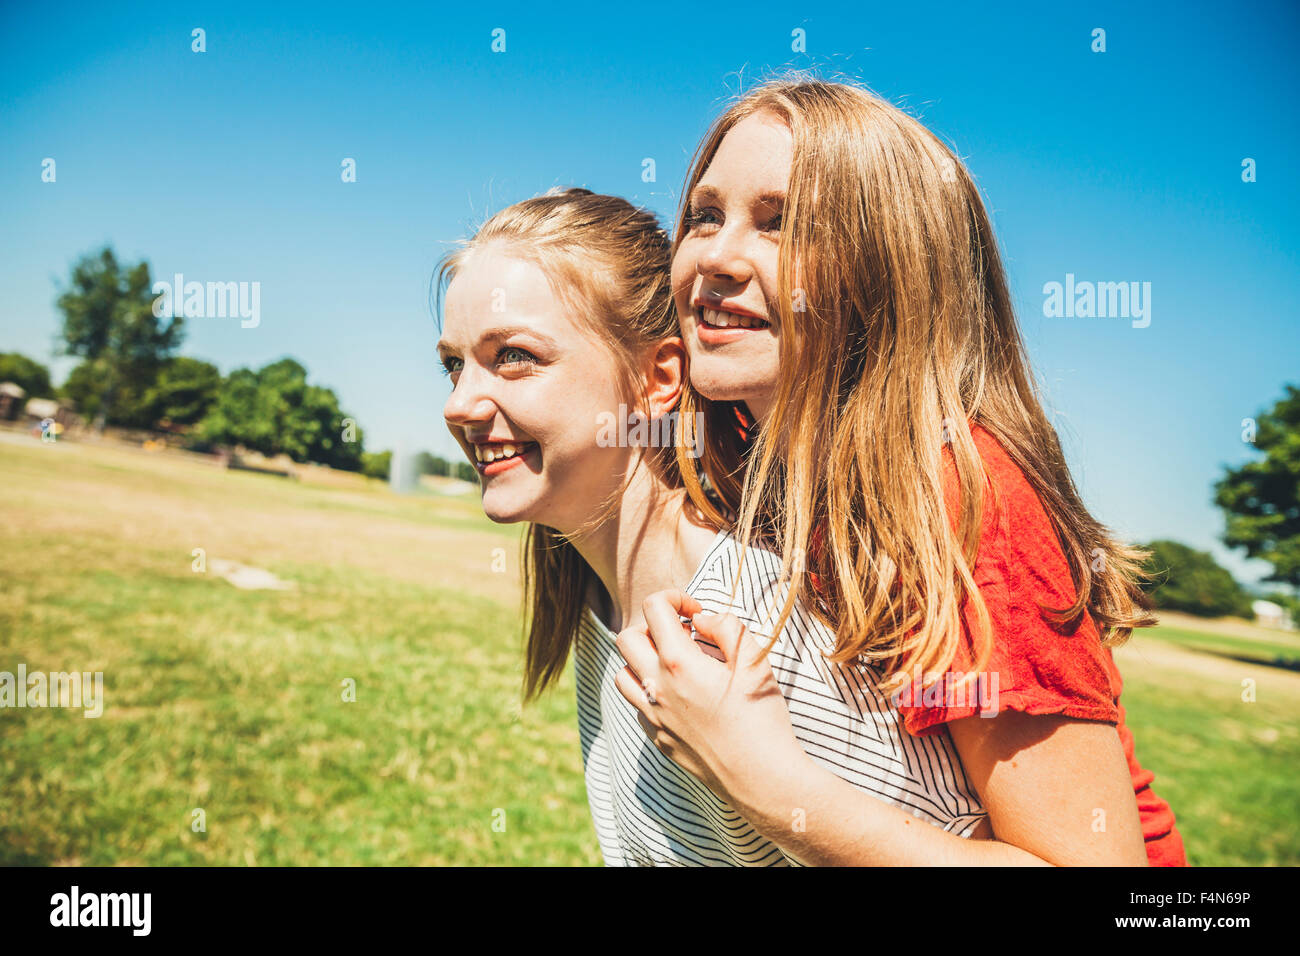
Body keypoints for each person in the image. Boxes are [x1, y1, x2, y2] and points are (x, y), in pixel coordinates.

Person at [620, 76, 1187, 865]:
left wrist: (757, 773)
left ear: (892, 271)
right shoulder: (760, 459)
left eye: (782, 225)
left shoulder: (962, 498)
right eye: (705, 216)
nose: (716, 256)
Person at [437, 187, 1021, 865]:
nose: (459, 404)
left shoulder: (758, 621)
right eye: (453, 364)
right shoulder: (599, 599)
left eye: (513, 356)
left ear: (658, 378)